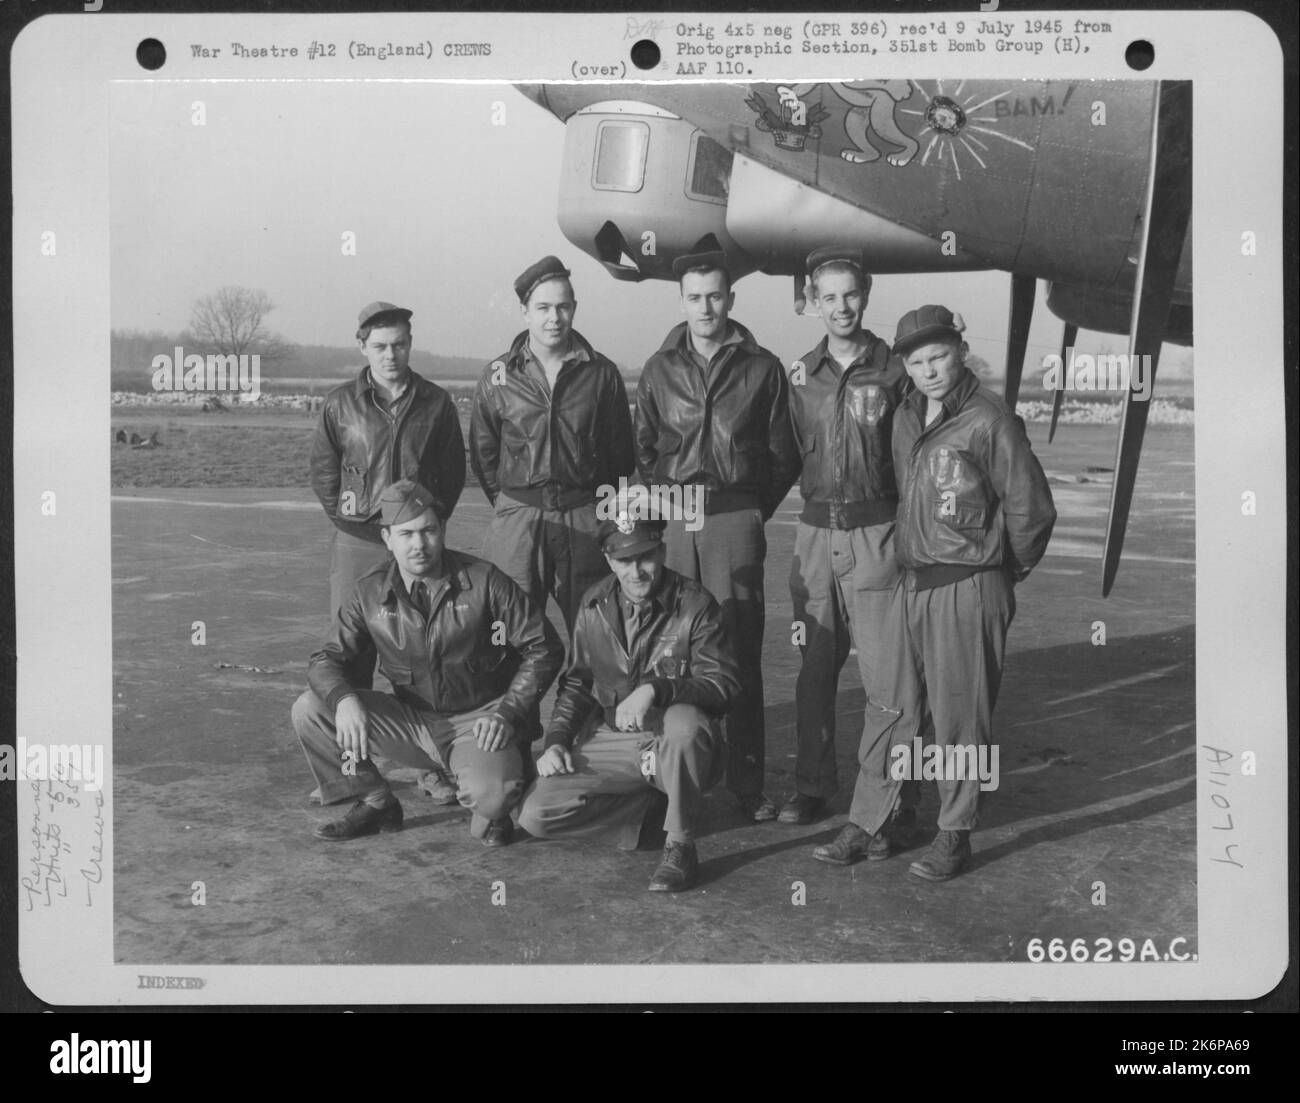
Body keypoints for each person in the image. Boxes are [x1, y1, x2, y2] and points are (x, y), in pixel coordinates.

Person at [814, 305, 1056, 880]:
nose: (929, 370)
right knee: (895, 704)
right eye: (917, 361)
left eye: (939, 356)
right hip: (913, 580)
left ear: (960, 350)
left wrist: (998, 571)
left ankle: (955, 832)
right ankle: (877, 817)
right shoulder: (903, 418)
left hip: (968, 585)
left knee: (959, 717)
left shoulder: (990, 419)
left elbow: (1032, 511)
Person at [290, 479, 563, 847]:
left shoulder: (485, 582)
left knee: (493, 798)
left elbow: (543, 647)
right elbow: (327, 658)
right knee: (310, 708)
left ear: (442, 530)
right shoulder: (369, 593)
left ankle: (501, 777)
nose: (419, 545)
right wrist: (344, 699)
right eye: (406, 534)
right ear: (387, 538)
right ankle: (376, 801)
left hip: (479, 721)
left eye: (428, 531)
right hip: (413, 721)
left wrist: (509, 713)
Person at [633, 251, 799, 822]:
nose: (706, 307)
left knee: (738, 649)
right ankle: (672, 782)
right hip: (676, 517)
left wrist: (748, 511)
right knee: (672, 647)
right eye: (694, 297)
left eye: (715, 295)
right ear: (681, 300)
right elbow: (645, 452)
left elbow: (783, 455)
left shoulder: (763, 367)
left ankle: (747, 785)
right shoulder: (659, 368)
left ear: (731, 298)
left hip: (735, 520)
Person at [517, 510, 740, 891]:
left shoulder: (696, 605)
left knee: (685, 724)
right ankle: (646, 812)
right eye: (624, 560)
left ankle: (680, 845)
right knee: (536, 815)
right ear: (608, 560)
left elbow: (724, 684)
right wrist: (556, 741)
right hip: (619, 741)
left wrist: (658, 688)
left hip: (675, 741)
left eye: (646, 556)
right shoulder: (593, 605)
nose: (636, 571)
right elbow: (577, 684)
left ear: (663, 550)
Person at [309, 301, 467, 802]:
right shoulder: (339, 404)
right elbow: (324, 475)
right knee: (351, 654)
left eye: (399, 344)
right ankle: (350, 771)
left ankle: (432, 766)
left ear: (410, 344)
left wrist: (422, 528)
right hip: (358, 541)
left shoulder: (437, 403)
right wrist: (357, 526)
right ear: (362, 346)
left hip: (415, 544)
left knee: (421, 648)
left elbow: (452, 474)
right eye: (379, 346)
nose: (390, 354)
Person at [781, 247, 914, 835]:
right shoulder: (800, 374)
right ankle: (812, 785)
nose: (841, 307)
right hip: (814, 536)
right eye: (828, 296)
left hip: (876, 532)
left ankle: (887, 800)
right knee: (815, 671)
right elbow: (781, 454)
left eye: (850, 294)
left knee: (887, 678)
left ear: (867, 294)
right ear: (813, 301)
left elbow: (916, 456)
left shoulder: (896, 370)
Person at [470, 256, 634, 636]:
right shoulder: (498, 376)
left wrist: (598, 509)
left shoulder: (601, 373)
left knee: (596, 626)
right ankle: (516, 698)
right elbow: (484, 455)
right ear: (524, 312)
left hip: (584, 513)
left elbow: (620, 454)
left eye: (562, 307)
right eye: (543, 308)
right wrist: (513, 505)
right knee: (509, 630)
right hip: (518, 517)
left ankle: (586, 697)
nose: (554, 318)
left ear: (574, 309)